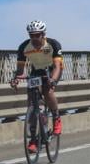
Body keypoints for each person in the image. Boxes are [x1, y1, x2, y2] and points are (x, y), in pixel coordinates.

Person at [10, 21, 64, 151]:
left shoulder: (53, 44)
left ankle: (56, 117)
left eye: (37, 35)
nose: (34, 38)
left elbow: (57, 66)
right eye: (31, 35)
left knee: (47, 90)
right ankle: (33, 140)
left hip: (52, 70)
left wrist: (52, 80)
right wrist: (16, 79)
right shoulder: (24, 46)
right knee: (32, 104)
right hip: (36, 71)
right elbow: (20, 70)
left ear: (43, 34)